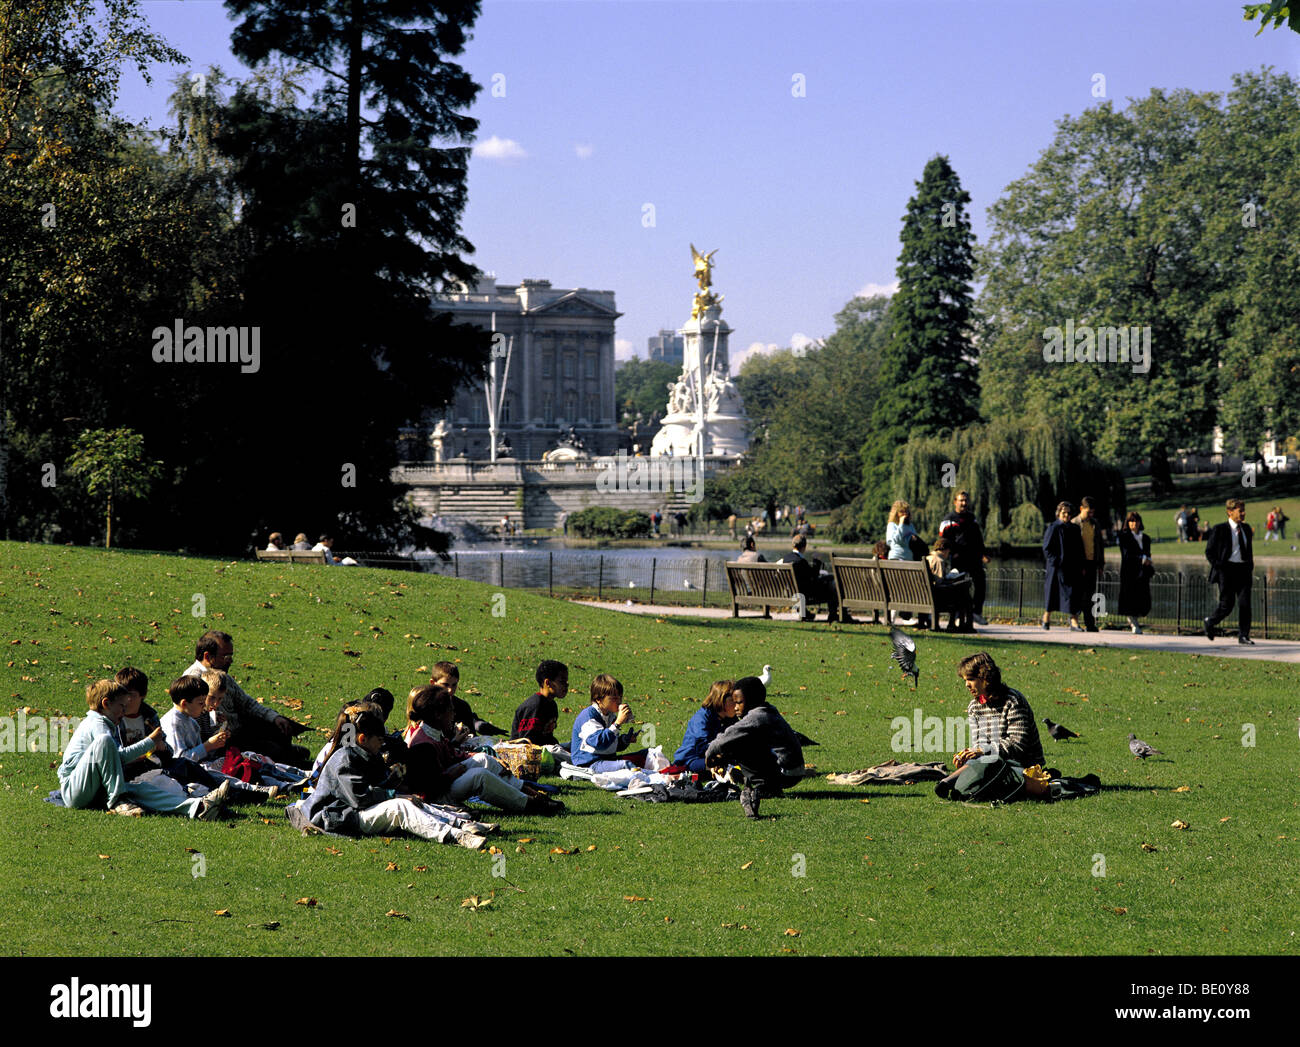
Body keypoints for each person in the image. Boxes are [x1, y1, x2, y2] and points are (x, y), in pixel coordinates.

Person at [300, 709, 493, 848]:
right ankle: (456, 836)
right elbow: (360, 798)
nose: (382, 745)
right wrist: (393, 794)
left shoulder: (367, 754)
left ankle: (462, 824)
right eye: (379, 740)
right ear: (362, 739)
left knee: (411, 800)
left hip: (356, 810)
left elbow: (376, 786)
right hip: (339, 817)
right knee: (401, 807)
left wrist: (393, 782)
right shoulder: (344, 760)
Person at [57, 679, 228, 820]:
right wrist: (150, 741)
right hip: (75, 791)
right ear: (106, 704)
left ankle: (199, 807)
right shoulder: (97, 723)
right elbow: (120, 756)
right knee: (105, 741)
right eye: (122, 707)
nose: (124, 712)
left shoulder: (108, 724)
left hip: (95, 788)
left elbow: (116, 760)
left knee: (141, 789)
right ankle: (118, 800)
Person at [404, 685, 562, 815]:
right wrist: (458, 770)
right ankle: (529, 804)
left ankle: (534, 795)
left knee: (483, 758)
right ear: (438, 714)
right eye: (450, 711)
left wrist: (487, 759)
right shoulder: (423, 745)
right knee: (480, 776)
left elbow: (453, 754)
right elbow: (431, 787)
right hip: (436, 796)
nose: (453, 715)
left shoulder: (432, 731)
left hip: (446, 781)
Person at [184, 629, 310, 766]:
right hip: (226, 742)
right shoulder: (194, 681)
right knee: (272, 749)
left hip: (241, 728)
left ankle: (287, 753)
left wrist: (273, 717)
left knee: (280, 726)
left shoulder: (221, 675)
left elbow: (246, 703)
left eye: (231, 656)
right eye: (225, 657)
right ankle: (288, 758)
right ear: (208, 657)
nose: (230, 661)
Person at [158, 675, 279, 802]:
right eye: (200, 703)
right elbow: (180, 760)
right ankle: (251, 790)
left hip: (199, 766)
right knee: (214, 774)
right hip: (181, 773)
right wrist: (208, 745)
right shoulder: (173, 723)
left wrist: (217, 738)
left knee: (246, 758)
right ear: (184, 703)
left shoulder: (191, 721)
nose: (203, 705)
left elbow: (202, 754)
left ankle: (278, 782)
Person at [704, 677, 805, 818]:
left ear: (752, 701)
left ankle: (766, 787)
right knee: (742, 741)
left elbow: (725, 739)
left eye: (739, 703)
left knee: (737, 745)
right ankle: (762, 784)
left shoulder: (758, 716)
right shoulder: (767, 710)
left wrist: (709, 755)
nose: (735, 707)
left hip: (787, 773)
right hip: (794, 770)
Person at [950, 652, 1045, 770]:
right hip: (993, 764)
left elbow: (1017, 745)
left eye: (971, 679)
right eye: (965, 680)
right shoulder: (974, 707)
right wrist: (969, 756)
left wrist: (983, 751)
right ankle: (947, 784)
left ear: (985, 678)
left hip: (1024, 767)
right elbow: (979, 744)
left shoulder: (1012, 701)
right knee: (974, 768)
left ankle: (947, 783)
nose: (967, 685)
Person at [570, 674, 650, 773]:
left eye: (620, 697)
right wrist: (617, 724)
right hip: (590, 764)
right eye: (614, 698)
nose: (619, 701)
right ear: (598, 699)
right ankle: (656, 778)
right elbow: (599, 743)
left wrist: (625, 740)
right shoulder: (589, 716)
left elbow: (610, 746)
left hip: (607, 759)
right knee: (625, 765)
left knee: (648, 754)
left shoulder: (610, 715)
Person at [1204, 498, 1255, 644]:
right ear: (1230, 512)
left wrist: (1250, 566)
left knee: (1245, 604)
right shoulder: (1220, 529)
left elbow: (1249, 550)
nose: (1244, 513)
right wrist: (1220, 567)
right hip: (1227, 570)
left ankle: (1244, 635)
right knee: (1227, 605)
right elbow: (1209, 551)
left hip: (1243, 570)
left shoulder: (1246, 529)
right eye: (1240, 511)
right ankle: (1210, 622)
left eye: (1244, 510)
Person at [938, 490, 988, 625]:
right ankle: (958, 615)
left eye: (966, 501)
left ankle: (976, 612)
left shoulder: (972, 518)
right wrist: (951, 552)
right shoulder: (948, 519)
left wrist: (983, 553)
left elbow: (978, 537)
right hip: (958, 558)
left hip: (974, 558)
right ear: (955, 502)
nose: (964, 503)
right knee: (958, 587)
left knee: (980, 583)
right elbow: (943, 540)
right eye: (961, 500)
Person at [781, 533, 850, 623]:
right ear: (804, 546)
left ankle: (832, 614)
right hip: (805, 593)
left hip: (791, 591)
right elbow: (813, 576)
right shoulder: (800, 561)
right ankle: (834, 614)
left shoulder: (786, 558)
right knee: (832, 583)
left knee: (829, 580)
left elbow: (808, 575)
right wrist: (816, 561)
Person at [430, 662, 508, 742]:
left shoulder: (462, 706)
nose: (450, 690)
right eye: (445, 685)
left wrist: (465, 735)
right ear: (433, 683)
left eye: (454, 685)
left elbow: (472, 737)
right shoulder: (424, 705)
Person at [673, 680, 736, 775]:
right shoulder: (702, 718)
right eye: (733, 700)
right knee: (722, 763)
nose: (737, 705)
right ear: (721, 700)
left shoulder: (729, 718)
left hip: (716, 756)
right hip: (692, 759)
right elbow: (703, 746)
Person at [1042, 501, 1083, 631]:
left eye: (1069, 513)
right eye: (1064, 512)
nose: (1066, 515)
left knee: (1073, 595)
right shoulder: (1053, 527)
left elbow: (1079, 548)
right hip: (1056, 568)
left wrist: (1080, 564)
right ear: (1058, 513)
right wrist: (1056, 562)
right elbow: (1047, 548)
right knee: (1052, 595)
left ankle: (1074, 621)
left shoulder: (1075, 528)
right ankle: (1046, 618)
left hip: (1072, 567)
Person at [511, 660, 568, 751]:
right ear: (548, 683)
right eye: (562, 681)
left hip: (544, 751)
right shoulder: (534, 706)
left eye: (566, 682)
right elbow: (526, 743)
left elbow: (547, 738)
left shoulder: (552, 705)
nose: (566, 685)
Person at [924, 536, 974, 632]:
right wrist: (950, 579)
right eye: (949, 552)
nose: (948, 554)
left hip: (925, 595)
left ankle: (954, 624)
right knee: (964, 595)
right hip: (936, 597)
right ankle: (959, 625)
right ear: (945, 550)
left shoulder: (927, 557)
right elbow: (939, 582)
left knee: (962, 594)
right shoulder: (938, 560)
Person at [1072, 496, 1105, 632]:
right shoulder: (1074, 523)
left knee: (1090, 595)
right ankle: (1074, 621)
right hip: (1080, 563)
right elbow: (1072, 548)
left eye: (1092, 512)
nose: (1090, 515)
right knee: (1078, 594)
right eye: (1088, 512)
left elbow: (1100, 545)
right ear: (1081, 509)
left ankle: (1090, 623)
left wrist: (1100, 565)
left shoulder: (1095, 524)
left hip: (1092, 563)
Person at [1117, 511, 1153, 634]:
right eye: (1131, 521)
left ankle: (1135, 620)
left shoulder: (1146, 538)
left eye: (1136, 521)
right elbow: (1127, 555)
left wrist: (1148, 560)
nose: (1134, 524)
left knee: (1142, 599)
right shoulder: (1124, 537)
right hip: (1130, 572)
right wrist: (1142, 559)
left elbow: (1148, 553)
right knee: (1130, 598)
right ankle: (1133, 623)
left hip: (1142, 573)